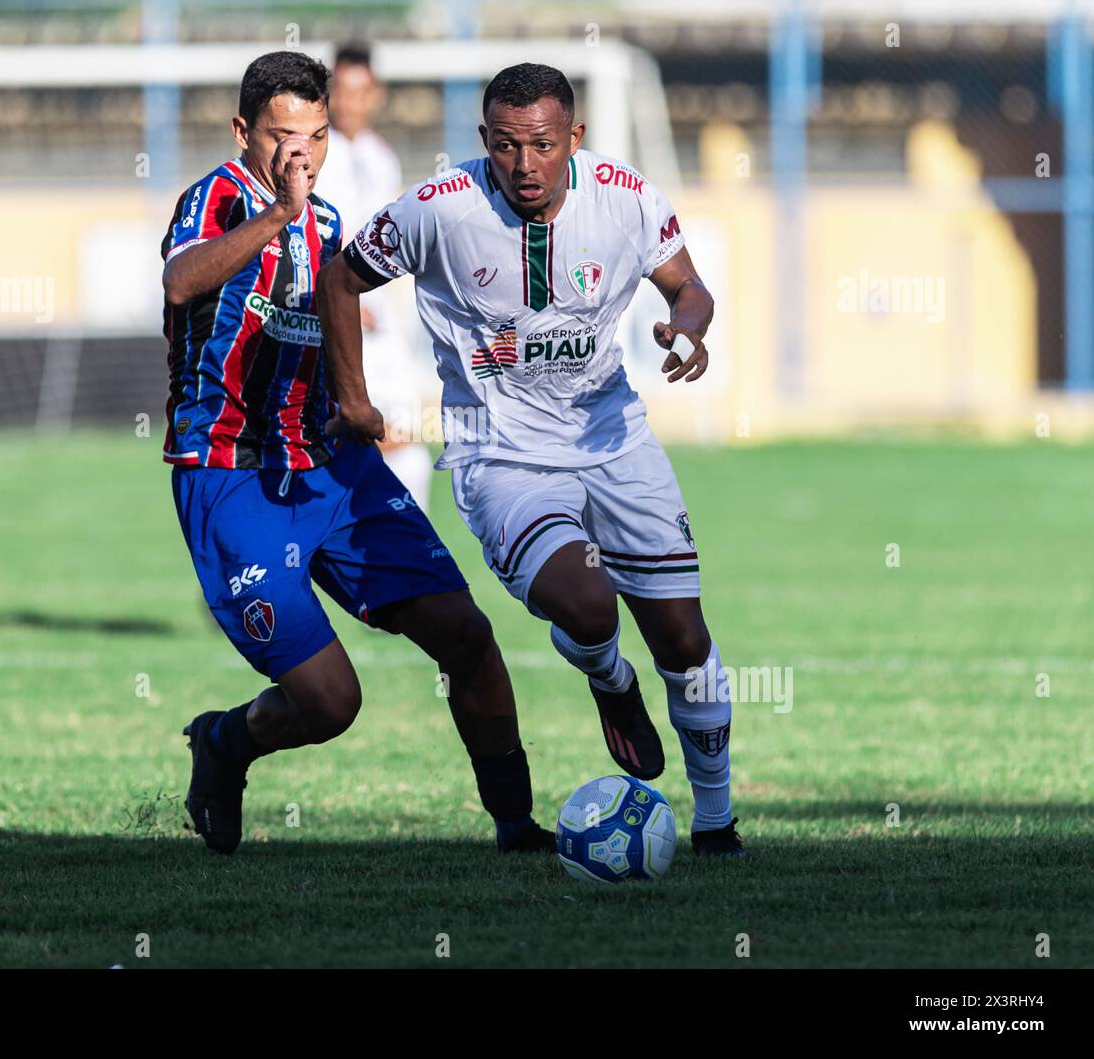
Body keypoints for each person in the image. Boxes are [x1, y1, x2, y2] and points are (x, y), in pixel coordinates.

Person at [316, 62, 745, 857]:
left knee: (684, 640)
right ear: (485, 140)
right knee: (587, 606)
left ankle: (717, 822)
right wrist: (353, 399)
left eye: (543, 145)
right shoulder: (437, 211)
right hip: (503, 454)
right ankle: (610, 679)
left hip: (614, 439)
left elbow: (690, 289)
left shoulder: (624, 197)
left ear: (573, 138)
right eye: (508, 146)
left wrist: (688, 329)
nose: (525, 164)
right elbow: (340, 280)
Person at [160, 50, 554, 856]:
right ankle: (225, 744)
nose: (297, 155)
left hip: (332, 467)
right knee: (332, 702)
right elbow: (179, 283)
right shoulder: (218, 198)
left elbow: (340, 317)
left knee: (466, 633)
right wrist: (274, 214)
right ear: (243, 132)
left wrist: (357, 405)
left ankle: (517, 824)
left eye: (312, 136)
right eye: (279, 137)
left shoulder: (332, 222)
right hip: (233, 479)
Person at [320, 44, 435, 515]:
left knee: (403, 446)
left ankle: (409, 571)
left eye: (360, 91)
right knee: (386, 445)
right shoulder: (313, 155)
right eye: (341, 92)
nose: (350, 102)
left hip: (383, 327)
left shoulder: (379, 156)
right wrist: (340, 298)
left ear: (377, 94)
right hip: (337, 319)